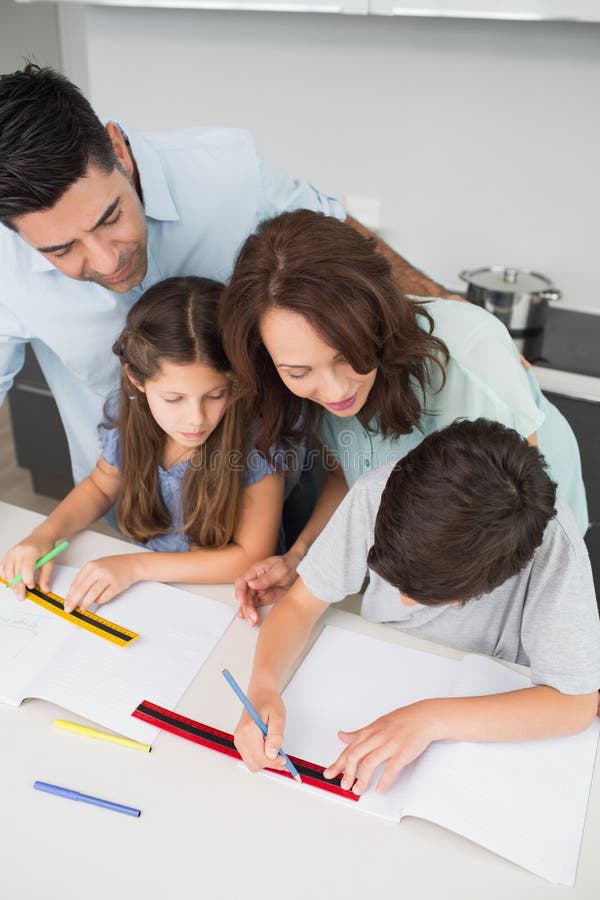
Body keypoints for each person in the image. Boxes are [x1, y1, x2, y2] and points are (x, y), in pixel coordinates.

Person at [0, 63, 456, 488]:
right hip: (132, 505)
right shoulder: (6, 269)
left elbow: (342, 240)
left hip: (275, 483)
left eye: (110, 218)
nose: (104, 262)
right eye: (61, 250)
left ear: (118, 151)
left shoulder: (229, 170)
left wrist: (458, 311)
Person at [219, 210, 588, 622]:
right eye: (299, 372)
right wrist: (301, 558)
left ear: (376, 316)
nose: (337, 391)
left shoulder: (469, 356)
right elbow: (356, 470)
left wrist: (428, 598)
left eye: (347, 357)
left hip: (518, 530)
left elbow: (522, 511)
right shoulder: (293, 376)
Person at [233, 419, 600, 794]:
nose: (404, 601)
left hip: (490, 708)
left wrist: (430, 719)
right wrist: (263, 686)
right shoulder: (381, 491)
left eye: (428, 594)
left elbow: (577, 705)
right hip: (382, 666)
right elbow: (299, 605)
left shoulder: (553, 548)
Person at [0, 277, 284, 611]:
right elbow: (100, 488)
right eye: (174, 398)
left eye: (216, 395)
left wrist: (134, 566)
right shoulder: (128, 414)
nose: (196, 418)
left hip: (224, 595)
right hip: (152, 586)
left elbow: (251, 557)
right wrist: (44, 534)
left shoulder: (257, 445)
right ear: (137, 379)